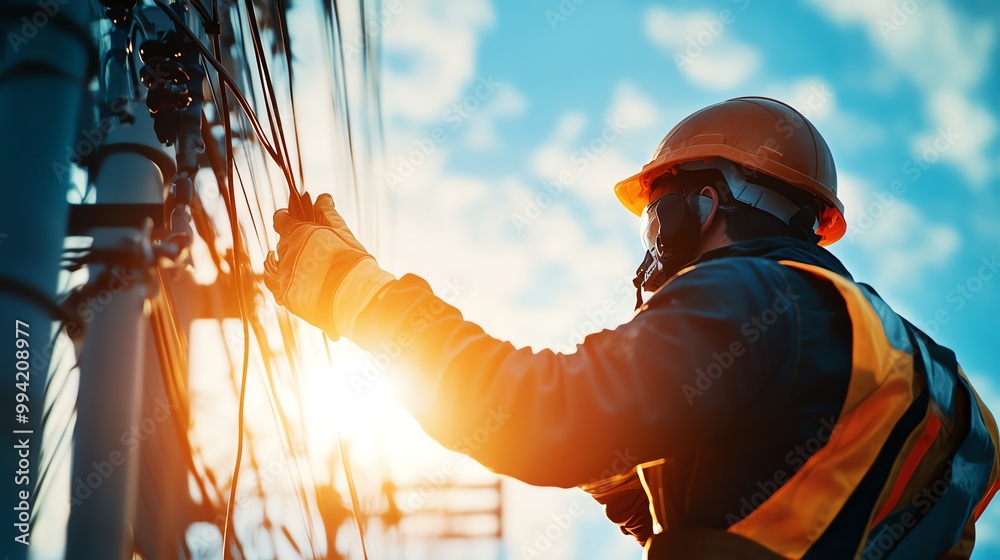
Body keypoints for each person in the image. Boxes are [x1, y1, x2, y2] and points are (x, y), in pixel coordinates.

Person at [263, 97, 1000, 559]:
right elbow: (773, 507)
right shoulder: (917, 373)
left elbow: (540, 414)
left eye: (656, 213)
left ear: (702, 207)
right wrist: (626, 474)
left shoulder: (753, 292)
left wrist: (350, 290)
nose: (650, 243)